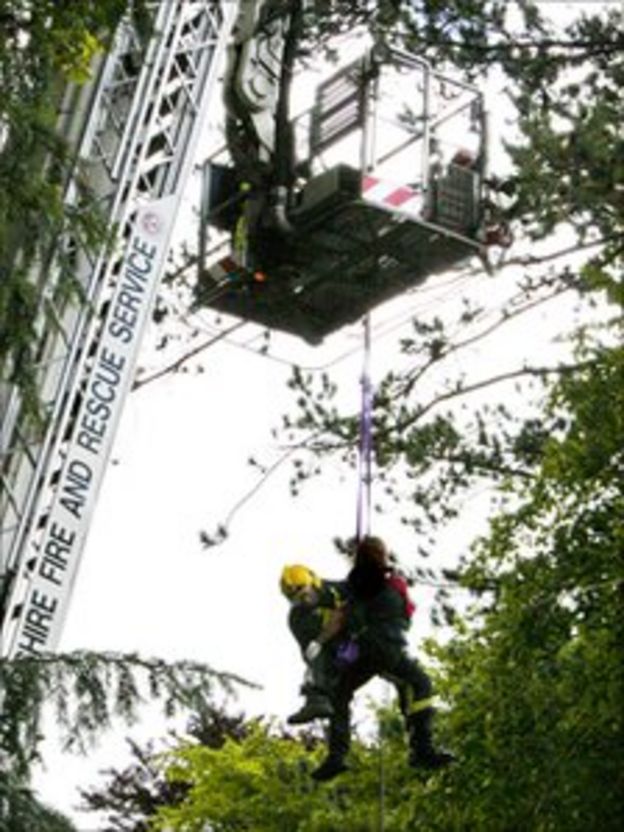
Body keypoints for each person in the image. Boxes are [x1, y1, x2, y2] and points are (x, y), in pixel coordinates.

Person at [311, 535, 455, 783]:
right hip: (388, 651)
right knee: (420, 685)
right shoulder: (394, 583)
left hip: (363, 652)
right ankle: (421, 749)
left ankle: (336, 756)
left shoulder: (351, 588)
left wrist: (319, 641)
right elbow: (407, 611)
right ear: (383, 556)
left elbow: (333, 606)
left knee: (340, 693)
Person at [279, 564, 348, 724]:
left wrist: (320, 639)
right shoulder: (297, 618)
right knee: (315, 658)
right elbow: (309, 651)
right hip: (336, 657)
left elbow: (342, 615)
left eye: (305, 594)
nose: (304, 601)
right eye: (296, 599)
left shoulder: (335, 590)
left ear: (313, 583)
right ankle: (317, 701)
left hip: (359, 638)